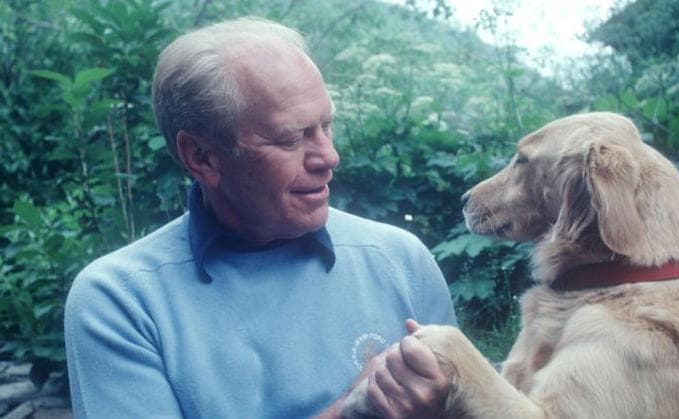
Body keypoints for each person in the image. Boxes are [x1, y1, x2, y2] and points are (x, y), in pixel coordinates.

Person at [64, 16, 456, 418]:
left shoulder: (401, 260)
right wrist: (355, 411)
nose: (329, 157)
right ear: (202, 157)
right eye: (291, 138)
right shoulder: (121, 300)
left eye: (326, 126)